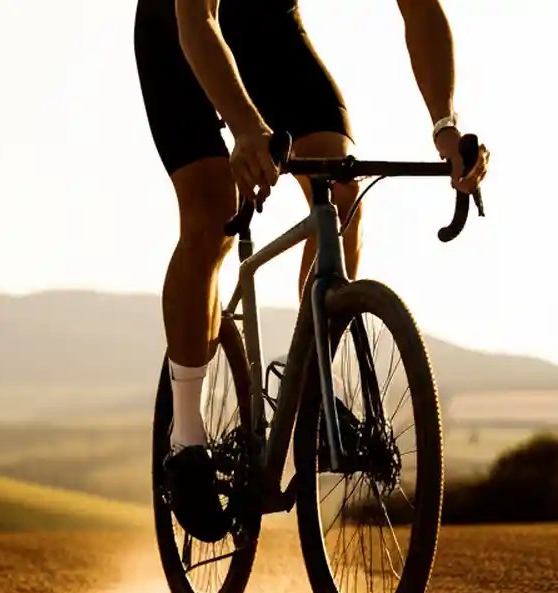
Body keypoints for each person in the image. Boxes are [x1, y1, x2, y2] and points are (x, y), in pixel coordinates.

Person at [134, 0, 489, 542]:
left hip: (268, 28)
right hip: (179, 34)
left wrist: (446, 127)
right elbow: (196, 22)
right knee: (211, 213)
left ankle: (311, 388)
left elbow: (420, 10)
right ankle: (185, 439)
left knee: (341, 188)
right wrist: (246, 129)